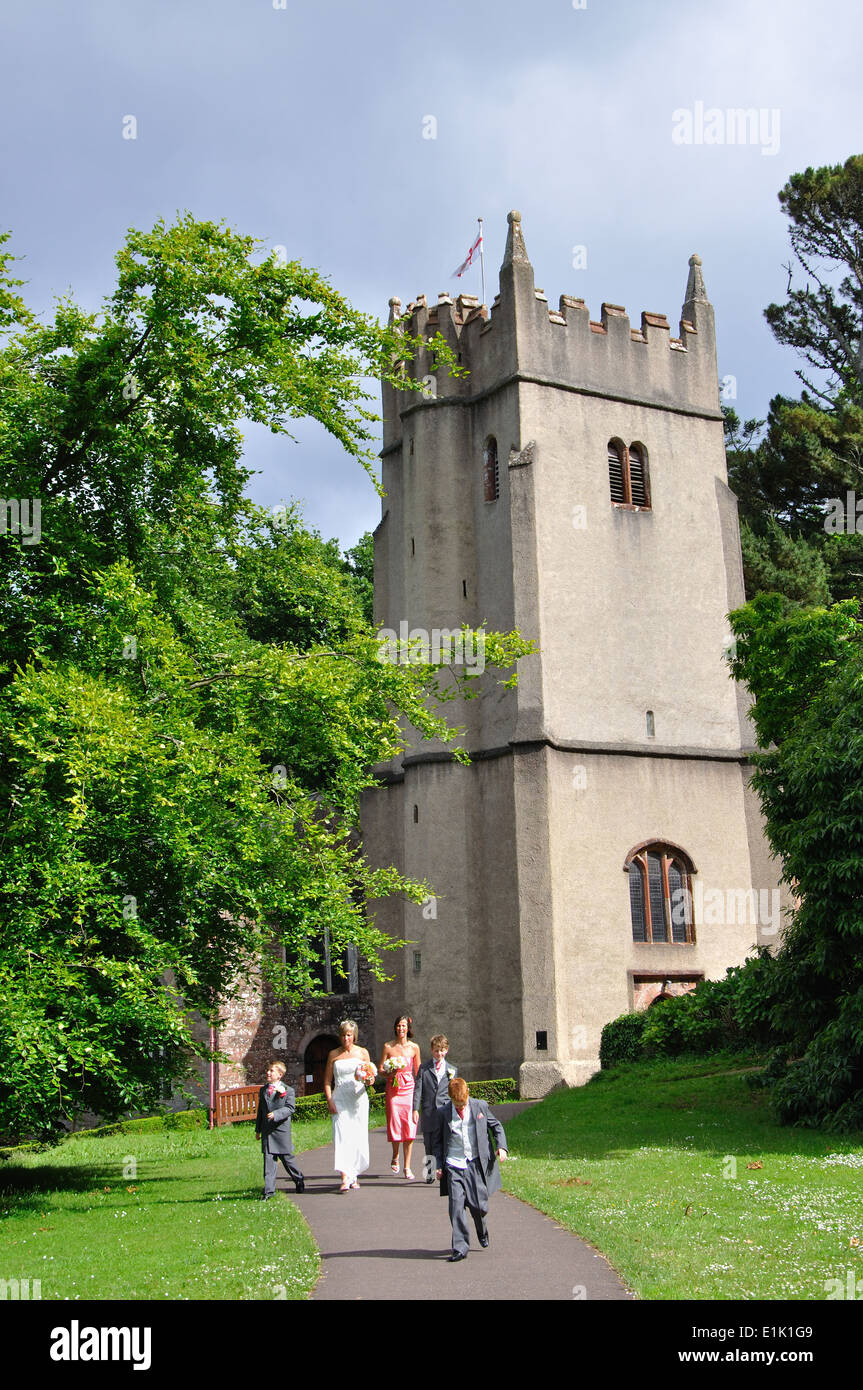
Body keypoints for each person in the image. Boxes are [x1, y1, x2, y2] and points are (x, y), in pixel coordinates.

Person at [433, 1076, 508, 1262]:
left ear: (468, 1095)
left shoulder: (480, 1106)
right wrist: (437, 1166)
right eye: (456, 1104)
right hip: (454, 1164)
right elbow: (437, 1142)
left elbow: (496, 1126)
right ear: (450, 1098)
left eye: (463, 1103)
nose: (460, 1107)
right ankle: (460, 1247)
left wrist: (502, 1147)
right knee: (456, 1207)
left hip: (475, 1162)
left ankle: (481, 1228)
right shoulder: (443, 1113)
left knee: (478, 1206)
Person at [323, 1019, 375, 1192]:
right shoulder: (333, 1054)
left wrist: (368, 1080)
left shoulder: (362, 1053)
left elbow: (371, 1079)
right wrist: (330, 1100)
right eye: (343, 1035)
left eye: (349, 1035)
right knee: (341, 1137)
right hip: (340, 1099)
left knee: (356, 1137)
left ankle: (354, 1175)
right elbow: (327, 1082)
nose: (346, 1039)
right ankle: (344, 1176)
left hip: (358, 1100)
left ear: (354, 1036)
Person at [379, 1013, 421, 1179]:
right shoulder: (388, 1047)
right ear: (395, 1028)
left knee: (409, 1127)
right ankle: (395, 1155)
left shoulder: (414, 1048)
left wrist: (420, 1094)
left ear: (408, 1028)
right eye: (398, 1026)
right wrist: (389, 1072)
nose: (401, 1028)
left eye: (403, 1025)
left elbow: (418, 1073)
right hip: (393, 1089)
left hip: (409, 1089)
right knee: (395, 1124)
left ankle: (407, 1166)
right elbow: (380, 1070)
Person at [255, 1060, 305, 1199]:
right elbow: (260, 1111)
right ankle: (269, 1191)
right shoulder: (263, 1090)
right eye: (268, 1070)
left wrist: (276, 1114)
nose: (268, 1073)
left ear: (280, 1075)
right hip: (267, 1131)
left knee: (287, 1159)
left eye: (272, 1071)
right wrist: (258, 1130)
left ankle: (298, 1178)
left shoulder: (289, 1091)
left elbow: (290, 1108)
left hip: (281, 1130)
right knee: (268, 1162)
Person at [412, 1034, 458, 1183]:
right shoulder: (424, 1069)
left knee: (445, 1142)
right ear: (432, 1050)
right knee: (429, 1143)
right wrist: (415, 1109)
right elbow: (418, 1089)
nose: (439, 1054)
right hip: (429, 1112)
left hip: (445, 1112)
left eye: (442, 1050)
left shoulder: (452, 1070)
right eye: (437, 1051)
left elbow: (454, 1092)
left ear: (447, 1050)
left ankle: (444, 1170)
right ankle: (430, 1172)